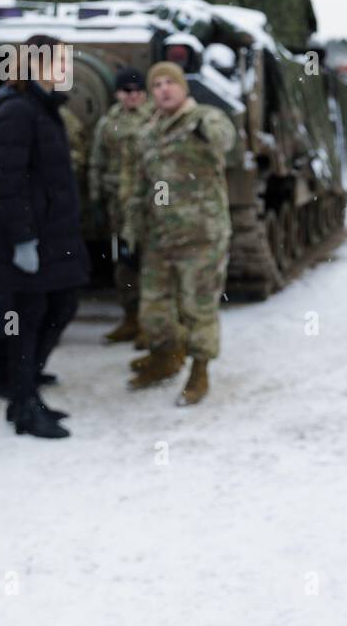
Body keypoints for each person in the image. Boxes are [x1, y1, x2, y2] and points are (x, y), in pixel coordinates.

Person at [0, 35, 89, 438]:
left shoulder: (47, 110)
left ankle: (24, 392)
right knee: (28, 321)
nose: (65, 68)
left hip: (55, 233)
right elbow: (7, 182)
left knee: (62, 306)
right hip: (31, 236)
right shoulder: (17, 111)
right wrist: (22, 239)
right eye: (57, 61)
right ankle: (24, 404)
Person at [123, 62, 236, 405]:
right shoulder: (147, 131)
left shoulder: (202, 119)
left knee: (197, 307)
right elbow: (139, 185)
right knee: (154, 308)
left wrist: (210, 130)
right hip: (160, 235)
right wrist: (131, 227)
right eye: (156, 84)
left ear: (183, 88)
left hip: (201, 234)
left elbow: (225, 137)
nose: (163, 89)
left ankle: (199, 370)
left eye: (170, 82)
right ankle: (165, 358)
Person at [88, 67, 152, 342]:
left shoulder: (155, 118)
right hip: (118, 203)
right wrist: (96, 200)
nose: (133, 96)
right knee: (125, 263)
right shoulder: (108, 123)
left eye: (138, 91)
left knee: (151, 263)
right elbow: (97, 162)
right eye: (127, 91)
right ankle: (131, 317)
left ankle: (153, 325)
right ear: (117, 94)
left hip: (147, 203)